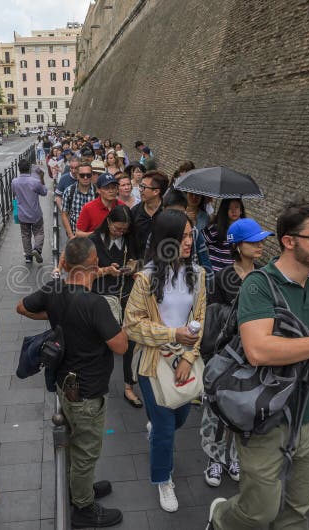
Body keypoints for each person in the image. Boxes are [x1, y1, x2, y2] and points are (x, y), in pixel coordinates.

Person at [207, 201, 309, 530]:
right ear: (289, 241)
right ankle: (221, 518)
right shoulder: (259, 285)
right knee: (259, 512)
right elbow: (258, 350)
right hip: (265, 415)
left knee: (297, 512)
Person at [17, 237, 128, 528]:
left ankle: (80, 487)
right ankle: (83, 508)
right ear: (95, 262)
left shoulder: (55, 290)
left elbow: (22, 307)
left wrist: (56, 319)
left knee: (74, 442)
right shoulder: (96, 304)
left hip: (65, 386)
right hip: (88, 393)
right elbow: (120, 347)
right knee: (85, 452)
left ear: (64, 263)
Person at [124, 209, 207, 513]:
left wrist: (188, 355)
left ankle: (157, 429)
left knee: (180, 416)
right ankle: (163, 478)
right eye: (183, 236)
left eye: (191, 235)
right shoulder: (145, 279)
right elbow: (131, 324)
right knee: (164, 428)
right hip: (151, 363)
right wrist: (172, 333)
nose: (189, 241)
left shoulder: (198, 275)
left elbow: (199, 320)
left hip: (183, 361)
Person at [200, 217, 273, 488]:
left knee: (245, 406)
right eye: (254, 242)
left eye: (261, 240)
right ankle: (214, 457)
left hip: (254, 354)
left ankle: (234, 456)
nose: (261, 246)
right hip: (226, 354)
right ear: (237, 246)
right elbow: (212, 317)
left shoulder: (266, 274)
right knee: (219, 406)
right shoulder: (222, 277)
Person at [88, 205, 142, 407]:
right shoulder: (93, 241)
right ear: (108, 222)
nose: (120, 232)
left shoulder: (129, 238)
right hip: (101, 297)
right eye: (117, 228)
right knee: (101, 342)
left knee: (130, 340)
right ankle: (97, 383)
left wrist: (131, 267)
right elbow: (87, 273)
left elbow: (136, 259)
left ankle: (129, 386)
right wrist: (106, 270)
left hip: (126, 294)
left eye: (124, 229)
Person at [11, 158, 48, 264]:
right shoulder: (35, 182)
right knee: (39, 232)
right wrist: (41, 178)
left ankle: (28, 256)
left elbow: (14, 193)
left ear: (19, 169)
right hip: (35, 213)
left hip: (22, 213)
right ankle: (37, 249)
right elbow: (44, 192)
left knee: (25, 234)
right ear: (29, 169)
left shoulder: (14, 182)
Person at [129, 170, 168, 259]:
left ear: (156, 192)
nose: (140, 189)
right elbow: (131, 241)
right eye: (140, 186)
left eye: (144, 187)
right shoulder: (134, 212)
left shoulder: (168, 212)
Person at [203, 198, 245, 273]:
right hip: (215, 272)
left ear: (241, 210)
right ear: (225, 210)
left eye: (236, 207)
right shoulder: (216, 228)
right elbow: (201, 240)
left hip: (232, 274)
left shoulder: (244, 230)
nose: (233, 211)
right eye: (229, 208)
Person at [76, 173, 123, 237]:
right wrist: (99, 235)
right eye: (107, 188)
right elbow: (78, 234)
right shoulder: (88, 208)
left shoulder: (122, 206)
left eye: (113, 187)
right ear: (98, 190)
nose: (111, 191)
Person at [61, 162, 97, 239]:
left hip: (93, 237)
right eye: (82, 175)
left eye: (88, 175)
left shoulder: (97, 192)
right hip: (75, 236)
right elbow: (64, 214)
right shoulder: (69, 191)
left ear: (91, 176)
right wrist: (70, 235)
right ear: (77, 176)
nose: (85, 177)